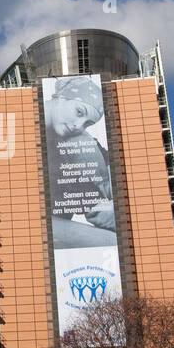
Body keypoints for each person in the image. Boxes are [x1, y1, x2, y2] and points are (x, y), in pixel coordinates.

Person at [42, 77, 116, 249]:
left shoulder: (75, 138)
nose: (78, 125)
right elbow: (93, 205)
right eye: (79, 112)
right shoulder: (72, 141)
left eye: (88, 123)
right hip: (30, 224)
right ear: (60, 97)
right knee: (111, 241)